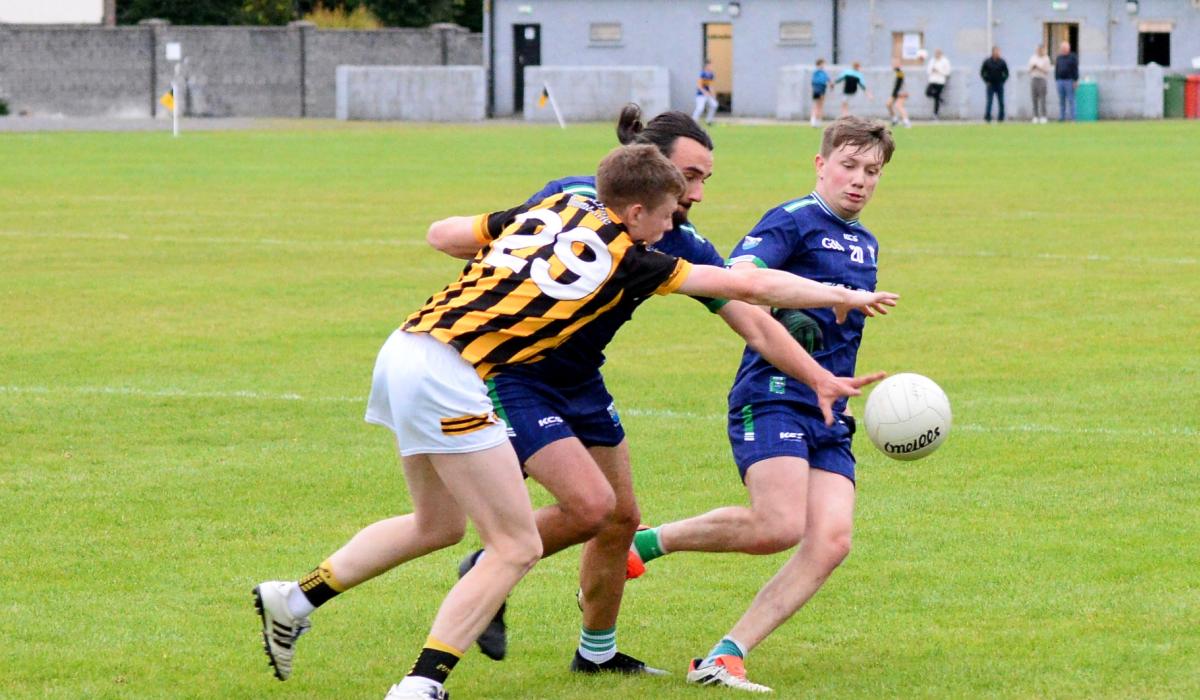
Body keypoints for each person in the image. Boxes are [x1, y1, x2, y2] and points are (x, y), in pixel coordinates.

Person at [253, 142, 899, 700]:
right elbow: (752, 288)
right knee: (516, 546)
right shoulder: (635, 258)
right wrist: (844, 295)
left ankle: (296, 597)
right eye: (669, 212)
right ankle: (421, 685)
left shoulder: (558, 203)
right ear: (636, 211)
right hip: (454, 375)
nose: (675, 222)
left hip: (404, 347)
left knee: (437, 525)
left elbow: (455, 235)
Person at [438, 106, 895, 677]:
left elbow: (746, 308)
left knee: (619, 517)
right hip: (518, 371)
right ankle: (467, 593)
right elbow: (466, 238)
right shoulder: (575, 195)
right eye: (690, 177)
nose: (697, 192)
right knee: (520, 512)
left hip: (583, 380)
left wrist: (821, 374)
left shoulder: (684, 242)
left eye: (704, 179)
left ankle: (601, 654)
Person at [625, 116, 898, 693]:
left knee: (831, 541)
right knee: (777, 525)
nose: (859, 180)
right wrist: (790, 312)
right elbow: (740, 274)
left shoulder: (866, 243)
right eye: (848, 166)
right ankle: (647, 542)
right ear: (821, 165)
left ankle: (726, 655)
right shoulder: (792, 219)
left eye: (872, 171)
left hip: (829, 405)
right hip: (774, 391)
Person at [980, 46, 1009, 123]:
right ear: (993, 52)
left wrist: (1003, 80)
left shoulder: (1002, 62)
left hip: (999, 84)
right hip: (990, 85)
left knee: (1001, 101)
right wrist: (986, 80)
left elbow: (1006, 73)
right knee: (989, 101)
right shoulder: (987, 62)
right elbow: (982, 72)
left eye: (998, 52)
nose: (997, 53)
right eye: (996, 51)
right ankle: (987, 117)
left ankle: (1001, 118)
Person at [1054, 41, 1078, 122]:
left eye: (1065, 48)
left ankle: (1073, 118)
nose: (1063, 49)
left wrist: (1075, 80)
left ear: (1068, 48)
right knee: (1061, 100)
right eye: (1062, 48)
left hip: (1069, 81)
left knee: (1071, 100)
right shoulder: (1059, 58)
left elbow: (1075, 69)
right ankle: (1062, 117)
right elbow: (1056, 69)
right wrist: (1056, 79)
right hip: (1060, 81)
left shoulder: (1073, 57)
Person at [1027, 44, 1052, 123]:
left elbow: (1047, 70)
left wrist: (1039, 67)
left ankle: (1043, 116)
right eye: (1038, 49)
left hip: (1042, 79)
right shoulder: (1033, 58)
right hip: (1034, 78)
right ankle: (1035, 116)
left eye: (1041, 49)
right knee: (1034, 98)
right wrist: (1033, 67)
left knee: (1042, 98)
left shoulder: (1046, 58)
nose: (1039, 51)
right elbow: (1029, 70)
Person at [926, 48, 951, 120]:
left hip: (940, 81)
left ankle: (935, 114)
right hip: (932, 80)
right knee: (928, 93)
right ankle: (940, 99)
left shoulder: (945, 61)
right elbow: (928, 70)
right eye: (936, 53)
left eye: (938, 53)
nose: (936, 54)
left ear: (941, 53)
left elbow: (947, 72)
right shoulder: (932, 60)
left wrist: (939, 71)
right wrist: (932, 70)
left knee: (936, 99)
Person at [885, 57, 911, 128]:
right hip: (895, 92)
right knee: (888, 104)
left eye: (895, 63)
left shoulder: (900, 72)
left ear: (899, 64)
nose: (893, 64)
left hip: (901, 92)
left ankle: (906, 121)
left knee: (899, 106)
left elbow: (900, 84)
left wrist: (902, 92)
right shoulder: (896, 72)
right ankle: (895, 119)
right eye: (893, 63)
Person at [810, 58, 831, 127]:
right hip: (817, 89)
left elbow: (828, 79)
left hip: (822, 89)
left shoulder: (823, 72)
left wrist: (830, 83)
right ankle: (813, 120)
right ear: (819, 64)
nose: (824, 65)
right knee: (816, 105)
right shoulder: (817, 72)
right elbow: (814, 82)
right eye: (822, 64)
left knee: (821, 105)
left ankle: (818, 121)